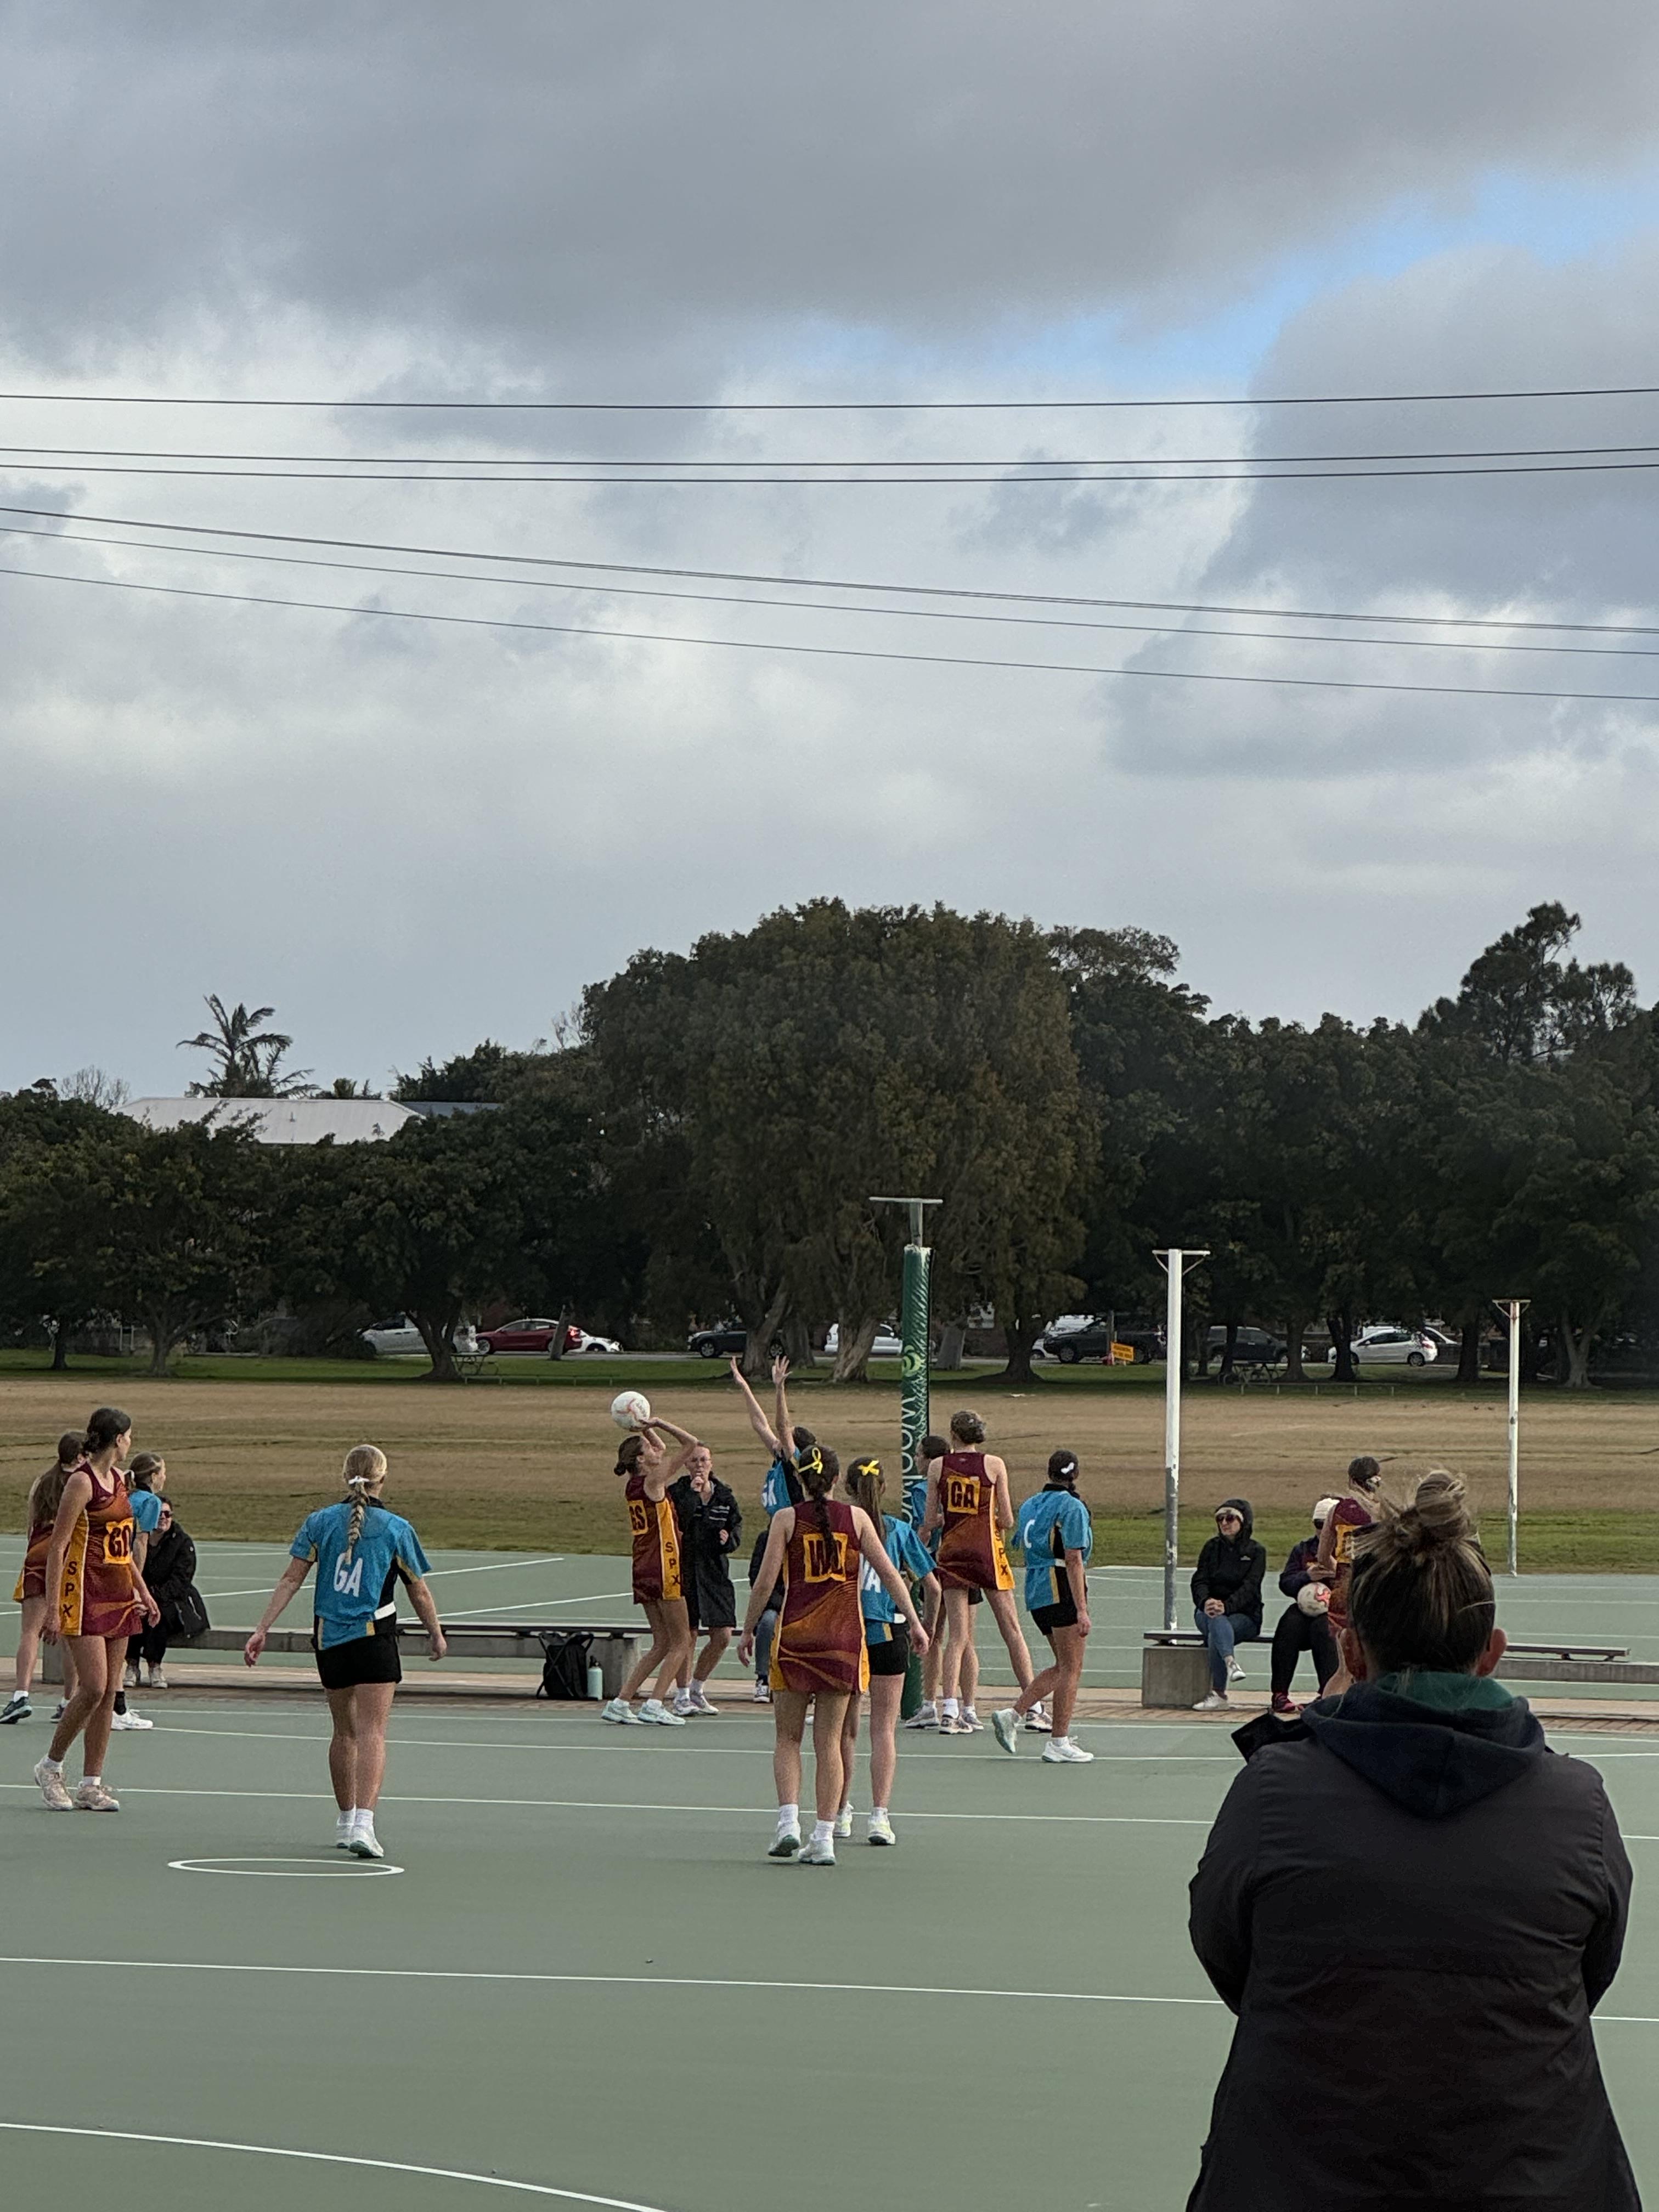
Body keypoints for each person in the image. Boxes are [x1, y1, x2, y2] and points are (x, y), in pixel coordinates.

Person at [1187, 1472, 1639, 2210]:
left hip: (1295, 2169)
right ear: (1491, 1653)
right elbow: (1589, 1974)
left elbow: (1228, 1954)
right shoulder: (1575, 1805)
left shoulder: (1275, 1791)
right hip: (1536, 2173)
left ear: (1353, 1653)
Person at [244, 1444, 447, 1860]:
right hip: (374, 1638)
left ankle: (344, 1820)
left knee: (344, 1732)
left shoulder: (319, 1523)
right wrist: (436, 1634)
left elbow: (290, 1579)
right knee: (373, 1732)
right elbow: (418, 1590)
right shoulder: (395, 1528)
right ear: (382, 1480)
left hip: (330, 1639)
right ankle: (365, 1825)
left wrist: (262, 1628)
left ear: (344, 1478)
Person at [738, 1435, 928, 1865]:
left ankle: (788, 1822)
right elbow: (892, 1574)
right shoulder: (858, 1519)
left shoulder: (786, 1519)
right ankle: (824, 1835)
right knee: (831, 1742)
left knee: (788, 1737)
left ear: (801, 1481)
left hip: (796, 1637)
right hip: (844, 1640)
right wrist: (914, 1621)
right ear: (837, 1479)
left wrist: (749, 1630)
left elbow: (765, 1583)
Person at [33, 1408, 161, 1812]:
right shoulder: (81, 1484)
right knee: (93, 1687)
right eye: (128, 1437)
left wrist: (143, 1590)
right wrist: (53, 1609)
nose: (130, 1444)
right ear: (117, 1438)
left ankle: (92, 1782)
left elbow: (122, 1548)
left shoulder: (121, 1482)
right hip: (84, 1594)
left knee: (110, 1693)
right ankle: (50, 1766)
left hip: (119, 1594)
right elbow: (57, 1546)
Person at [838, 1455, 939, 1844]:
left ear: (849, 1489)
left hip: (848, 1634)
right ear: (883, 1488)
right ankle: (879, 1816)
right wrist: (925, 1625)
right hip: (889, 1634)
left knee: (845, 1731)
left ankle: (841, 1809)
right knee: (884, 1729)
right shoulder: (897, 1530)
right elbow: (933, 1586)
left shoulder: (843, 1530)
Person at [921, 1410, 1033, 1735]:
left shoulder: (938, 1466)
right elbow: (1008, 1519)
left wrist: (947, 1522)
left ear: (952, 1435)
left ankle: (950, 1709)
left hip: (953, 1552)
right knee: (1011, 1629)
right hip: (986, 1552)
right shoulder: (994, 1465)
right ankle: (1034, 1704)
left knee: (957, 1637)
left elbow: (932, 1517)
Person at [992, 1449, 1095, 1764]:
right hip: (1059, 1584)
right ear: (1074, 1475)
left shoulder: (1031, 1505)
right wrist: (1081, 1608)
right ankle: (1058, 1740)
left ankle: (1015, 1713)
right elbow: (1074, 1558)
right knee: (1072, 1668)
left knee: (1062, 1664)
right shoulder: (1072, 1507)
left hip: (1036, 1589)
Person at [601, 1412, 699, 1726]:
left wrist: (645, 1429)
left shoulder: (634, 1484)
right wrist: (660, 1424)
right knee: (681, 1640)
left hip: (642, 1566)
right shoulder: (653, 1482)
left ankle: (621, 1701)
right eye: (650, 1448)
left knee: (660, 1642)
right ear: (642, 1460)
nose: (658, 1450)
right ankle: (656, 1703)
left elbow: (663, 1452)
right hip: (662, 1565)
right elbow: (690, 1444)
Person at [2, 1432, 83, 1726]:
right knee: (70, 1635)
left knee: (29, 1632)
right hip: (68, 1561)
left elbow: (30, 1524)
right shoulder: (83, 1485)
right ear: (79, 1457)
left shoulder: (41, 1483)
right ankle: (68, 1700)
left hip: (38, 1557)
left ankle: (21, 1693)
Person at [669, 1443, 742, 1714]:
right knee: (686, 1634)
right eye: (694, 1460)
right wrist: (694, 1496)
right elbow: (678, 1524)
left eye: (704, 1460)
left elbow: (735, 1526)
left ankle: (698, 1687)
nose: (700, 1465)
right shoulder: (678, 1493)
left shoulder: (724, 1495)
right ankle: (682, 1695)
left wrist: (729, 1540)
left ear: (711, 1463)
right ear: (686, 1465)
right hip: (687, 1569)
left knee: (723, 1634)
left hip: (715, 1571)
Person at [1308, 1453, 1383, 1696]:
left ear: (1351, 1481)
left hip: (1343, 1590)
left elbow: (1322, 1557)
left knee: (1344, 1671)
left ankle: (1328, 1716)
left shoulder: (1337, 1510)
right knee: (1376, 1668)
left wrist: (1340, 1571)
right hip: (1373, 1592)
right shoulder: (1383, 1513)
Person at [1189, 1498, 1265, 1711]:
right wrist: (1206, 1602)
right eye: (1220, 1519)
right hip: (1208, 1612)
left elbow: (1251, 1587)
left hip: (1244, 1615)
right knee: (1215, 1621)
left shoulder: (1257, 1552)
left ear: (1243, 1522)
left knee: (1217, 1629)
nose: (1225, 1523)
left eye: (1230, 1518)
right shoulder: (1211, 1548)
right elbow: (1200, 1580)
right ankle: (1230, 1662)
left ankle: (1219, 1693)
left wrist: (1227, 1606)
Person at [1268, 1497, 1340, 1718]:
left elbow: (1359, 1582)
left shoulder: (1348, 1551)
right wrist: (1306, 1576)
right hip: (1304, 1607)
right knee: (1288, 1624)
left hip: (1334, 1610)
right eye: (1318, 1525)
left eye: (1326, 1525)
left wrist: (1336, 1574)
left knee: (1324, 1628)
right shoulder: (1303, 1550)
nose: (1321, 1531)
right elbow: (1285, 1582)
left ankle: (1326, 1693)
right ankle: (1279, 1693)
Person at [128, 1496, 208, 1688]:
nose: (163, 1518)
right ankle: (131, 1665)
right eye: (159, 1513)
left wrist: (152, 1599)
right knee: (133, 1613)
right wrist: (141, 1598)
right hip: (142, 1595)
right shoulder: (137, 1540)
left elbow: (181, 1580)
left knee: (159, 1615)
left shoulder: (182, 1542)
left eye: (167, 1514)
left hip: (175, 1600)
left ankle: (155, 1666)